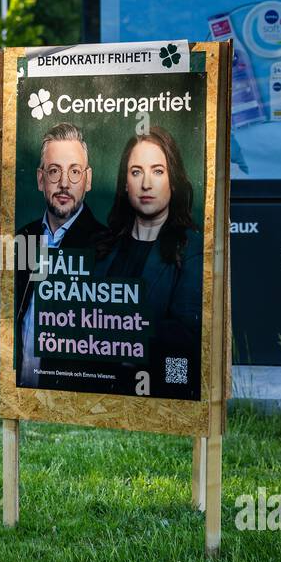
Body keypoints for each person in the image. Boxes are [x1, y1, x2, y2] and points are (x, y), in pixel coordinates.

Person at [92, 126, 203, 400]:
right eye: (136, 172)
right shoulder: (104, 246)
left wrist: (122, 336)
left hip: (161, 390)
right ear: (125, 183)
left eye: (158, 171)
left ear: (173, 180)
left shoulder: (191, 248)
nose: (146, 184)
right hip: (97, 386)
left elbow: (187, 333)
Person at [13, 123, 104, 388]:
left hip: (75, 389)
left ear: (88, 180)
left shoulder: (106, 245)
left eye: (75, 172)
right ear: (41, 179)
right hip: (26, 386)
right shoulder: (24, 237)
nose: (64, 183)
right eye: (54, 171)